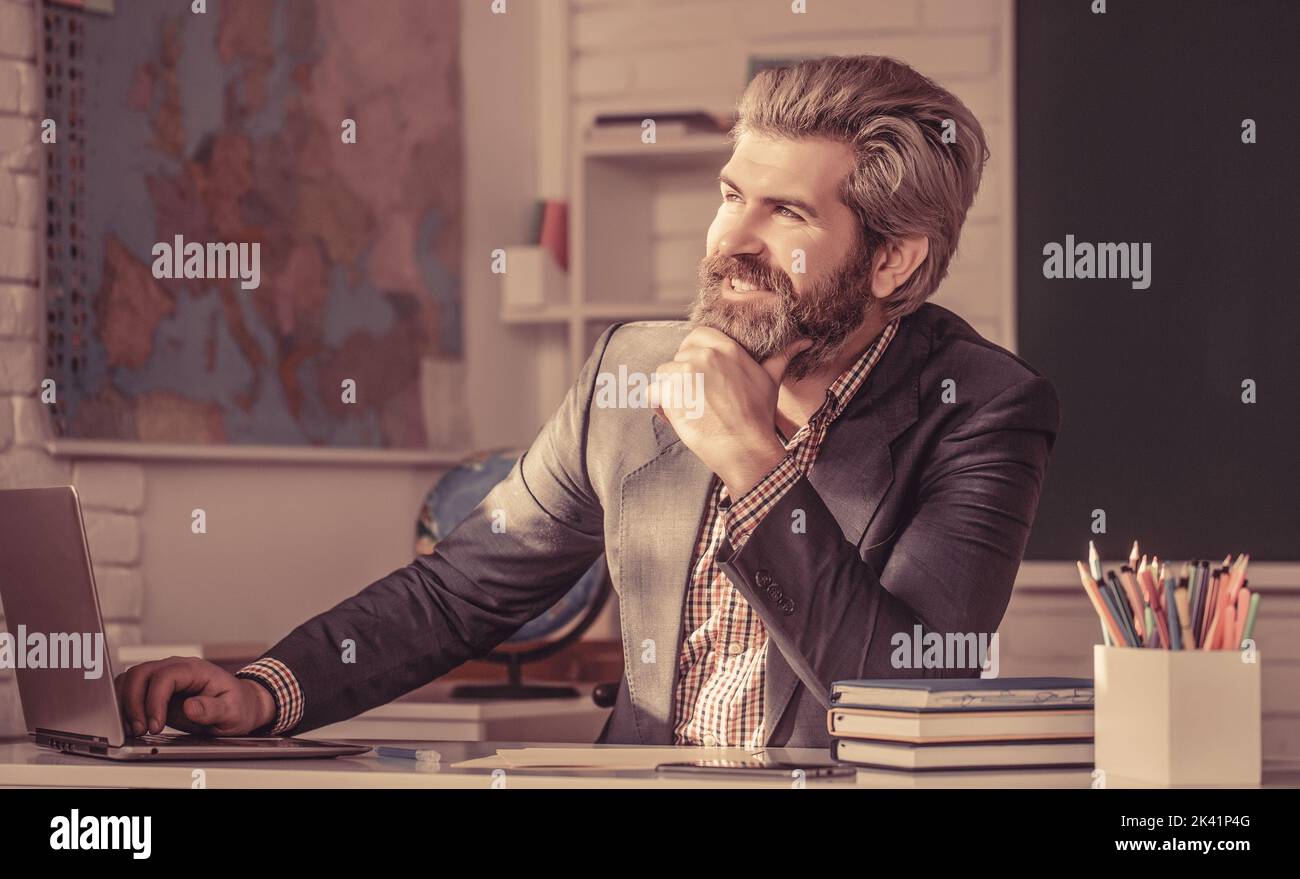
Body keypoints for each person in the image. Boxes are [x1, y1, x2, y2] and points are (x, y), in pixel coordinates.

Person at [116, 55, 1060, 750]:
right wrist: (263, 690)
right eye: (732, 194)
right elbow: (463, 587)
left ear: (892, 259)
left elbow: (912, 684)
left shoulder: (981, 408)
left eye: (788, 213)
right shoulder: (628, 370)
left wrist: (752, 463)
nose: (732, 238)